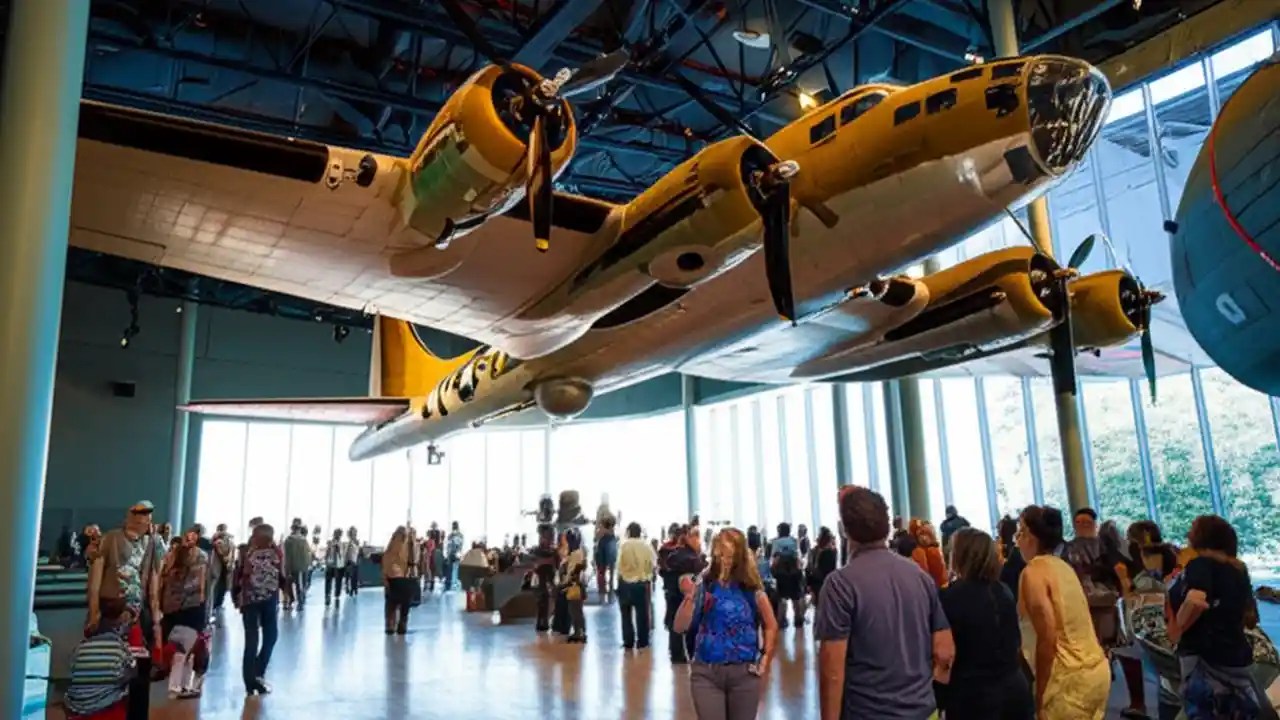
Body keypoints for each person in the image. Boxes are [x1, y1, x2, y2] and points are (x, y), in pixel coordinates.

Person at [816, 487, 954, 720]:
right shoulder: (919, 576)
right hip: (923, 709)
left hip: (868, 712)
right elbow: (944, 650)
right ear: (888, 526)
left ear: (845, 529)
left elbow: (833, 669)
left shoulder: (840, 585)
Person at [1015, 505, 1110, 719]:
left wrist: (1039, 695)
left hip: (1068, 681)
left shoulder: (1033, 572)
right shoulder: (1063, 567)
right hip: (1095, 669)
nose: (1018, 540)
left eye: (1020, 532)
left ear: (1030, 536)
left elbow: (1047, 637)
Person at [674, 528, 779, 720]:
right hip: (706, 671)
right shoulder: (704, 584)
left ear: (739, 557)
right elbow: (679, 627)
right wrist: (689, 598)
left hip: (745, 673)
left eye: (729, 556)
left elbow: (770, 624)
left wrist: (766, 657)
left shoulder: (752, 589)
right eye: (719, 555)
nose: (724, 561)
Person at [1167, 514, 1261, 717]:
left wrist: (1177, 631)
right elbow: (1250, 616)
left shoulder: (1201, 565)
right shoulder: (1237, 568)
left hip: (1203, 655)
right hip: (1235, 654)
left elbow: (1196, 601)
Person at [936, 528, 1033, 720]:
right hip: (1015, 686)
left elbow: (945, 653)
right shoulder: (1003, 591)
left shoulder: (949, 596)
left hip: (973, 694)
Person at [86, 501, 163, 720]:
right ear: (129, 516)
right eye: (138, 514)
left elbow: (154, 584)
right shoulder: (110, 539)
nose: (142, 519)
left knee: (139, 672)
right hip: (111, 611)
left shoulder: (153, 543)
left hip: (140, 616)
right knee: (110, 668)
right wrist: (93, 611)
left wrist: (156, 621)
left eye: (146, 514)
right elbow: (96, 579)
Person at [65, 598, 136, 720]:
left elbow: (71, 675)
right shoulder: (119, 649)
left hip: (78, 712)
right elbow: (132, 673)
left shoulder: (79, 649)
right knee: (127, 688)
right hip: (107, 713)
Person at [234, 523, 284, 695]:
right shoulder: (274, 553)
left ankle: (252, 678)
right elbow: (283, 575)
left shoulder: (249, 552)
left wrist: (236, 597)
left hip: (254, 602)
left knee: (257, 640)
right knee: (264, 638)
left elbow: (237, 575)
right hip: (261, 601)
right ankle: (255, 675)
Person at [158, 528, 208, 699]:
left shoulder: (169, 568)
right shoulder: (199, 564)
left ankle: (177, 686)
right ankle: (182, 685)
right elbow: (201, 590)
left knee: (180, 651)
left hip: (172, 613)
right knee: (188, 652)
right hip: (192, 612)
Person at [662, 524, 706, 663]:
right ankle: (692, 653)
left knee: (674, 624)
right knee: (692, 624)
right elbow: (697, 576)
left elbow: (663, 571)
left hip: (673, 593)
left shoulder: (671, 554)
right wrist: (692, 580)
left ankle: (676, 655)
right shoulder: (694, 558)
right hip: (690, 595)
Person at [617, 521, 656, 650]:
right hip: (641, 584)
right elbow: (652, 564)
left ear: (628, 532)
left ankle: (628, 641)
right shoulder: (646, 546)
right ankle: (642, 641)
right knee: (642, 614)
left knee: (626, 615)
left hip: (625, 583)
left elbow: (619, 565)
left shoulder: (623, 545)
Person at [770, 522, 806, 628]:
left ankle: (782, 620)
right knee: (796, 597)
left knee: (782, 598)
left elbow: (775, 558)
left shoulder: (776, 542)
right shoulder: (794, 541)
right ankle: (798, 619)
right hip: (794, 571)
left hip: (781, 573)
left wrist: (772, 569)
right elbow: (797, 556)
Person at [381, 526, 414, 635]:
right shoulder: (407, 545)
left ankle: (390, 625)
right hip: (404, 578)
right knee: (404, 604)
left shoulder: (391, 548)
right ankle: (402, 624)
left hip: (392, 578)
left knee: (391, 604)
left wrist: (385, 579)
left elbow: (386, 562)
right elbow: (412, 561)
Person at [560, 529, 589, 643]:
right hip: (578, 585)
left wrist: (565, 582)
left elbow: (572, 570)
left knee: (575, 610)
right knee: (577, 610)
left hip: (574, 585)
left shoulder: (575, 554)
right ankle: (579, 631)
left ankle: (579, 632)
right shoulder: (580, 552)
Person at [806, 527, 839, 609]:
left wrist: (809, 583)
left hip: (817, 582)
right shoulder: (832, 551)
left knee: (819, 607)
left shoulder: (815, 551)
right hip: (827, 583)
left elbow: (809, 568)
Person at [910, 520, 947, 589]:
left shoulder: (932, 550)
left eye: (927, 535)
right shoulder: (921, 551)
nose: (924, 538)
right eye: (921, 535)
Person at [283, 523, 311, 610]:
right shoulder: (304, 540)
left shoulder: (288, 540)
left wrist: (286, 567)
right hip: (302, 566)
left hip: (291, 566)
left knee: (288, 585)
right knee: (300, 585)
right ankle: (300, 602)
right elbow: (308, 554)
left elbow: (286, 555)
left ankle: (291, 601)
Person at [323, 529, 346, 607]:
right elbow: (327, 553)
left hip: (339, 565)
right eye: (336, 534)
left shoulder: (342, 544)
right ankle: (327, 596)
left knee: (338, 581)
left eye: (339, 534)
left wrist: (339, 549)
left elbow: (342, 555)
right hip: (330, 564)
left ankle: (337, 594)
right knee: (328, 581)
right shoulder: (330, 543)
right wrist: (326, 560)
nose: (337, 536)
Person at [443, 522, 464, 591]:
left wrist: (449, 553)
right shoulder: (455, 535)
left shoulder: (455, 535)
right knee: (452, 570)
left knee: (453, 569)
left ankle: (451, 585)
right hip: (454, 554)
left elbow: (458, 546)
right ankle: (450, 585)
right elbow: (449, 546)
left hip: (454, 554)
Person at [344, 527, 362, 596]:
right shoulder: (349, 542)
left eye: (355, 532)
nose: (354, 534)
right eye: (352, 532)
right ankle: (351, 589)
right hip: (350, 561)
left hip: (355, 561)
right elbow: (347, 553)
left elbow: (358, 552)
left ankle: (354, 589)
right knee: (350, 576)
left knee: (355, 576)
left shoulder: (356, 541)